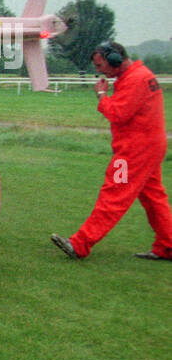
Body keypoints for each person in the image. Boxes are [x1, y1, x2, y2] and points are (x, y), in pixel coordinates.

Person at [51, 41, 172, 260]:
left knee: (114, 194)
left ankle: (80, 244)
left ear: (115, 59)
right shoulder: (139, 76)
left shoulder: (135, 80)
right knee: (154, 198)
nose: (99, 71)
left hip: (135, 151)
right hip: (148, 147)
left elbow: (117, 114)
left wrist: (101, 95)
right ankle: (168, 245)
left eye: (100, 65)